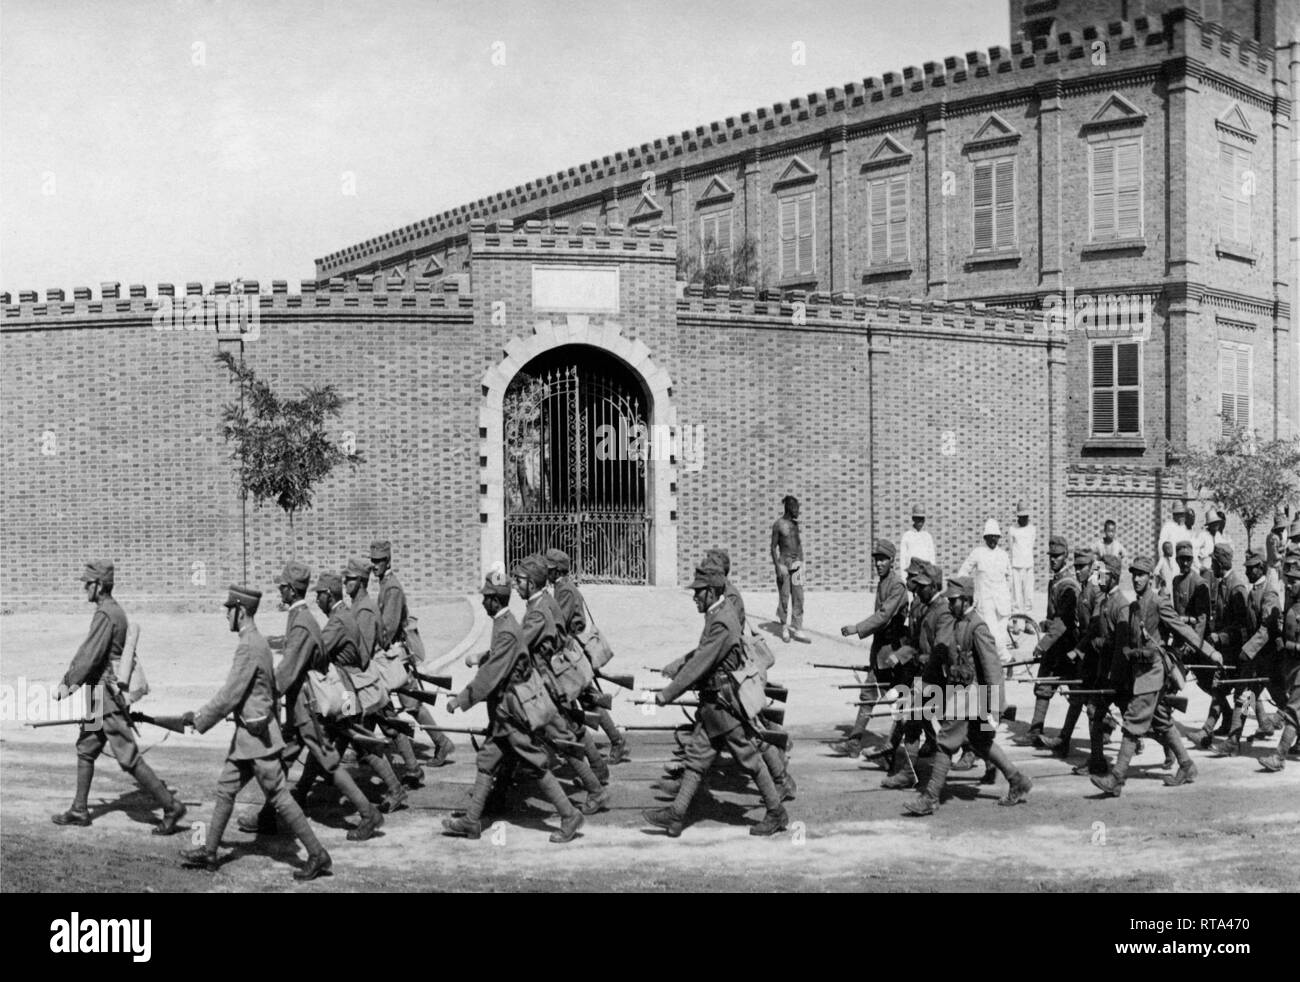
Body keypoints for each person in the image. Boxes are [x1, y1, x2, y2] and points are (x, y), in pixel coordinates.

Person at [180, 586, 331, 880]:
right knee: (226, 788)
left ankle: (317, 854)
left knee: (278, 795)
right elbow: (267, 690)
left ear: (241, 611)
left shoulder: (249, 646)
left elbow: (230, 695)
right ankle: (210, 852)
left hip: (256, 738)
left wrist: (199, 719)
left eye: (229, 610)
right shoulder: (256, 642)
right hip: (251, 733)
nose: (226, 616)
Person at [642, 562, 789, 837]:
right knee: (697, 758)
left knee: (749, 758)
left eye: (698, 591)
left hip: (723, 705)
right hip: (714, 705)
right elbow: (702, 654)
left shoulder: (721, 620)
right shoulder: (718, 613)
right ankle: (675, 817)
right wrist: (677, 665)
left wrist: (668, 693)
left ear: (711, 591)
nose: (694, 596)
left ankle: (776, 811)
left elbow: (702, 662)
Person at [442, 570, 586, 842]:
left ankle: (569, 815)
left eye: (486, 598)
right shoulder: (504, 622)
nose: (483, 602)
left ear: (496, 601)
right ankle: (472, 821)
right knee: (488, 759)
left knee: (534, 761)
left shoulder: (506, 629)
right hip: (503, 711)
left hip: (511, 710)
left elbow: (491, 673)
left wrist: (461, 699)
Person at [51, 560, 186, 835]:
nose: (84, 589)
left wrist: (66, 685)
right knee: (87, 746)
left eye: (87, 584)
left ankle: (171, 806)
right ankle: (79, 809)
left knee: (127, 756)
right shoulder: (113, 611)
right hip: (97, 698)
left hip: (104, 699)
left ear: (98, 585)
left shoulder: (106, 614)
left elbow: (89, 656)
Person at [903, 575, 1032, 815]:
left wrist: (995, 706)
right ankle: (1017, 780)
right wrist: (923, 685)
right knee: (980, 741)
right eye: (949, 601)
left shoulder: (977, 626)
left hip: (973, 694)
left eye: (954, 601)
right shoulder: (956, 622)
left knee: (945, 741)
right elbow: (939, 656)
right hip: (959, 691)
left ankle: (930, 797)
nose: (949, 605)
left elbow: (993, 669)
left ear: (966, 600)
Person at [1090, 557, 1206, 796]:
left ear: (1151, 578)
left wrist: (1210, 652)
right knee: (1162, 720)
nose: (1136, 578)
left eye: (1142, 574)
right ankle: (1187, 765)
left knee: (1132, 723)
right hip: (1139, 673)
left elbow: (1181, 629)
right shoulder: (1133, 606)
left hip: (1153, 672)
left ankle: (1117, 778)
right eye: (1134, 574)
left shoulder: (1157, 602)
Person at [372, 539, 452, 773]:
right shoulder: (386, 584)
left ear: (388, 561)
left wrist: (373, 644)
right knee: (410, 703)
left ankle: (440, 744)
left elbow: (387, 626)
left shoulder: (392, 588)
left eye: (379, 561)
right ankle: (441, 743)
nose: (375, 565)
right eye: (373, 561)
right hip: (394, 654)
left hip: (395, 655)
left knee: (397, 702)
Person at [545, 547, 629, 765]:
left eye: (550, 569)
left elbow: (559, 623)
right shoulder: (563, 587)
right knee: (587, 699)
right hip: (571, 650)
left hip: (570, 653)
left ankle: (609, 743)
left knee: (583, 699)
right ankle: (609, 741)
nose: (547, 573)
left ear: (557, 571)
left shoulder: (564, 590)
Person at [832, 539, 908, 758]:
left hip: (893, 653)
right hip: (880, 651)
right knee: (868, 695)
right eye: (876, 559)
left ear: (892, 560)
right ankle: (855, 742)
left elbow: (884, 616)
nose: (878, 564)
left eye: (883, 559)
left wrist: (858, 628)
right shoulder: (883, 582)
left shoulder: (897, 585)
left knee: (899, 702)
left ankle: (893, 750)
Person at [1224, 550, 1281, 754]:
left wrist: (1248, 649)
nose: (1247, 571)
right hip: (1255, 659)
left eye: (1251, 568)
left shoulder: (1269, 592)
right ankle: (1233, 739)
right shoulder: (1253, 591)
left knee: (1284, 701)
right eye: (1246, 568)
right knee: (1245, 695)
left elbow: (1267, 627)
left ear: (1260, 568)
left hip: (1269, 659)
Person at [1026, 536, 1079, 747]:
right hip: (1056, 645)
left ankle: (1107, 726)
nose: (1053, 560)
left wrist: (1042, 644)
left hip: (1068, 645)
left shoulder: (1068, 585)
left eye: (1057, 556)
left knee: (1081, 693)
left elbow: (1064, 620)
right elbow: (1055, 617)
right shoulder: (1055, 580)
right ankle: (1036, 730)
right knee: (1043, 685)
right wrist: (1046, 624)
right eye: (1051, 556)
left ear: (1066, 556)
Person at [1259, 556, 1300, 771]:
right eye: (1288, 581)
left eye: (1294, 581)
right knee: (1250, 693)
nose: (1290, 585)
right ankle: (1263, 723)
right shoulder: (1292, 606)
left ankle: (1279, 756)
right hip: (1289, 669)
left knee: (1292, 711)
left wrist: (1290, 645)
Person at [958, 520, 1012, 658]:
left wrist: (1010, 597)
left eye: (996, 536)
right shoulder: (978, 553)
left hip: (1002, 601)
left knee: (1001, 635)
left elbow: (1009, 578)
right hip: (985, 601)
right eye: (990, 536)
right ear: (985, 537)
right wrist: (967, 592)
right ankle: (1006, 660)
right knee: (992, 634)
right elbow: (963, 572)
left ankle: (1001, 663)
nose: (993, 539)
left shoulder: (1003, 555)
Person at [771, 495, 807, 643]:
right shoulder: (778, 524)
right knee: (784, 597)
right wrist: (777, 566)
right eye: (796, 508)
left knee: (799, 596)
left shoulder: (795, 525)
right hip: (784, 563)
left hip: (796, 563)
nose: (798, 511)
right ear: (790, 508)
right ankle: (784, 627)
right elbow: (773, 547)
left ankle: (797, 628)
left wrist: (802, 563)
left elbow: (798, 545)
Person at [1008, 503, 1036, 616]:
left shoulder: (1032, 529)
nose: (1024, 519)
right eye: (1021, 516)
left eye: (1026, 516)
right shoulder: (1012, 529)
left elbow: (1031, 545)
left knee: (1029, 595)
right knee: (1016, 596)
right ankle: (1015, 620)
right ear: (1018, 516)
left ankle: (1028, 621)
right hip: (1016, 566)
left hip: (1029, 565)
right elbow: (1011, 547)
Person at [899, 505, 936, 584]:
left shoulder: (928, 536)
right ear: (913, 519)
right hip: (911, 575)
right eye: (918, 518)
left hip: (925, 576)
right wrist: (904, 578)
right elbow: (903, 559)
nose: (920, 521)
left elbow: (932, 559)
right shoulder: (907, 536)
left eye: (922, 519)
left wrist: (931, 576)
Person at [1157, 501, 1187, 572]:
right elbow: (1161, 545)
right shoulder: (1168, 527)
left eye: (1182, 514)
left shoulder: (1184, 528)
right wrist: (1165, 562)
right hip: (1171, 561)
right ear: (1174, 515)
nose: (1180, 516)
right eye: (1178, 514)